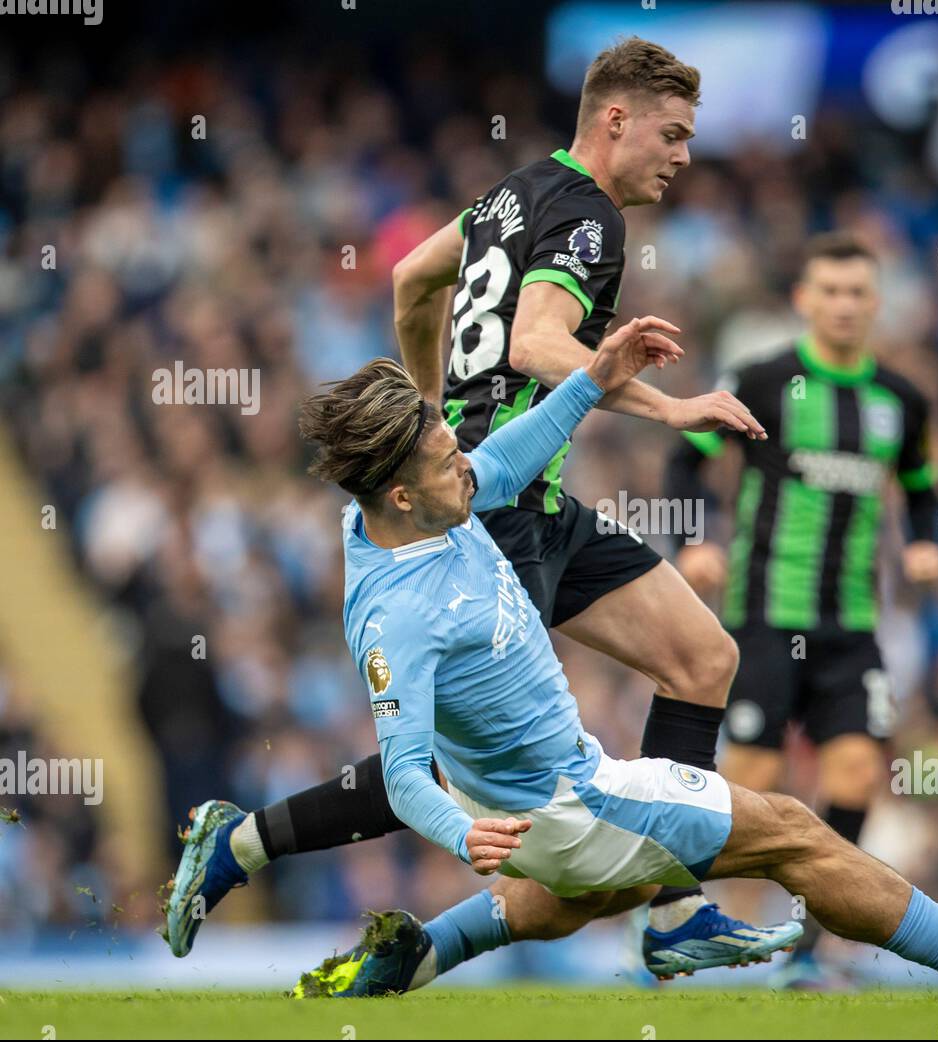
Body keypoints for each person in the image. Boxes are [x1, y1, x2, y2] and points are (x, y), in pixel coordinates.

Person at [165, 37, 797, 978]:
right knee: (450, 764)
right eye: (672, 134)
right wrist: (669, 406)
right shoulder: (590, 217)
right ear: (615, 120)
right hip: (489, 513)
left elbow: (412, 279)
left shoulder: (513, 193)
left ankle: (674, 911)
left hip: (535, 498)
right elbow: (538, 340)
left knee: (703, 657)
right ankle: (243, 841)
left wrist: (429, 409)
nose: (684, 155)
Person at [277, 321, 938, 1002]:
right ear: (402, 496)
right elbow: (403, 771)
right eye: (448, 461)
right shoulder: (396, 614)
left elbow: (506, 462)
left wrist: (595, 378)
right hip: (572, 799)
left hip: (543, 809)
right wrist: (463, 836)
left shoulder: (397, 514)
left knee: (601, 887)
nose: (469, 465)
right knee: (793, 832)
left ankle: (416, 953)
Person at [664, 232, 938, 987]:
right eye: (830, 291)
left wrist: (926, 542)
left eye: (858, 292)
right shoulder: (762, 381)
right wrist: (694, 540)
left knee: (855, 774)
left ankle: (812, 950)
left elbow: (922, 486)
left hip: (852, 625)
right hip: (765, 615)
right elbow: (686, 458)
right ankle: (684, 918)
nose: (844, 305)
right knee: (750, 784)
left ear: (876, 303)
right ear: (804, 299)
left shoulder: (901, 399)